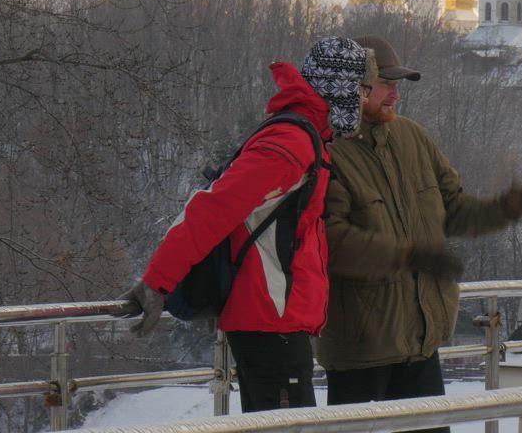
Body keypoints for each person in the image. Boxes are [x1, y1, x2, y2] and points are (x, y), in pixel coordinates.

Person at [317, 34, 522, 431]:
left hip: (420, 342)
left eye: (398, 85)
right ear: (353, 87)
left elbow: (454, 210)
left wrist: (507, 208)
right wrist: (405, 256)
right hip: (360, 347)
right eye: (386, 84)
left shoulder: (412, 138)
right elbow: (331, 241)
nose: (396, 94)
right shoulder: (328, 148)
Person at [121, 36, 372, 412]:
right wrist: (157, 283)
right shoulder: (290, 144)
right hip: (270, 322)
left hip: (275, 320)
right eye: (362, 90)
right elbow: (211, 211)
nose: (365, 101)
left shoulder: (307, 139)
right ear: (340, 88)